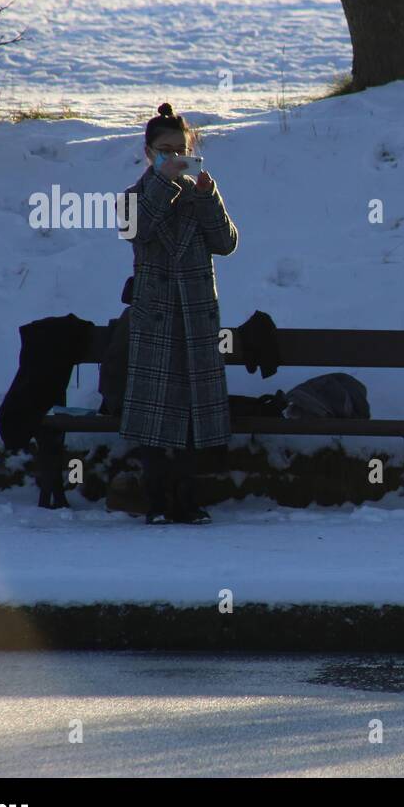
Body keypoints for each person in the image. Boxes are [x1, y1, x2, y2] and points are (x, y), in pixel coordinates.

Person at [120, 103, 239, 525]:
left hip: (196, 315)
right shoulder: (135, 196)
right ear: (149, 152)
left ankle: (188, 502)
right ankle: (155, 502)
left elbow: (225, 244)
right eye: (165, 149)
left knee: (193, 416)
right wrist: (162, 183)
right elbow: (138, 231)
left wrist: (209, 198)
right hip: (156, 318)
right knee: (154, 416)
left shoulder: (198, 193)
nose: (174, 156)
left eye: (180, 149)